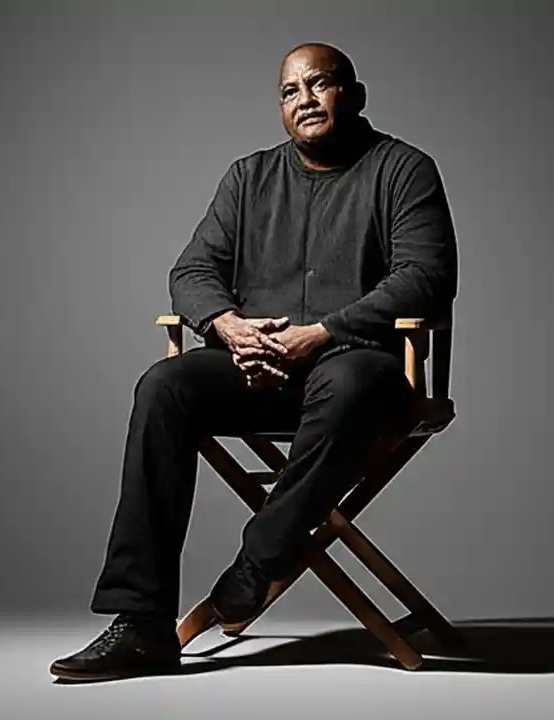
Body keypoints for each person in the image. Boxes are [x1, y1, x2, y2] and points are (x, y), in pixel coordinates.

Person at [49, 42, 459, 682]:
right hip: (257, 369)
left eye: (320, 86)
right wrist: (228, 326)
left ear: (353, 95)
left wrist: (320, 334)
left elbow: (424, 279)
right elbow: (190, 271)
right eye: (291, 92)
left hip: (359, 372)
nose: (306, 101)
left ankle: (255, 566)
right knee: (163, 386)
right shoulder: (248, 178)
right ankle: (140, 623)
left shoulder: (402, 169)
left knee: (350, 379)